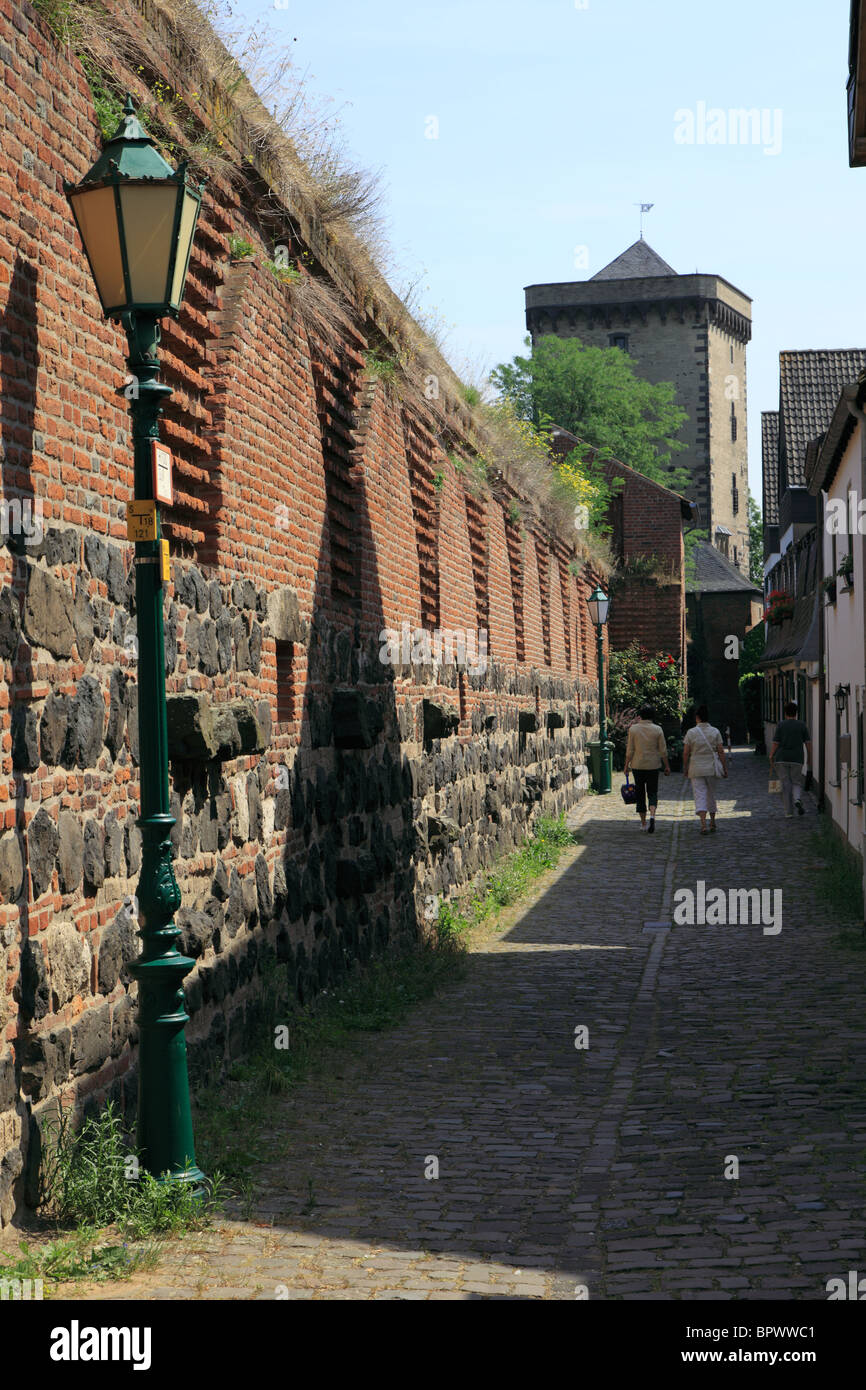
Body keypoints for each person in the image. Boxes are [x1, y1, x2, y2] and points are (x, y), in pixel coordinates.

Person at [624, 704, 670, 834]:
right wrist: (666, 765)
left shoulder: (633, 729)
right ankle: (653, 816)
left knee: (640, 793)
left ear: (640, 715)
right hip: (653, 765)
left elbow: (630, 750)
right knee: (652, 792)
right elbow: (663, 750)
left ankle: (643, 823)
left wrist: (626, 765)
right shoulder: (658, 729)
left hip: (638, 765)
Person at [682, 704, 728, 834]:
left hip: (696, 768)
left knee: (700, 795)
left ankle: (703, 824)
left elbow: (686, 752)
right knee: (711, 794)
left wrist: (685, 768)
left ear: (697, 718)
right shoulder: (715, 731)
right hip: (711, 768)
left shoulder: (691, 733)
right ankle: (712, 821)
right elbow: (721, 752)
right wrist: (724, 768)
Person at [769, 702, 811, 818]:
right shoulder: (802, 725)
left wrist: (771, 755)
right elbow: (808, 743)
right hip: (797, 758)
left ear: (785, 713)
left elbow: (776, 743)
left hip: (781, 758)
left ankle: (788, 812)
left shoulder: (781, 725)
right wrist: (809, 757)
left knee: (786, 784)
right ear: (796, 713)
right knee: (796, 781)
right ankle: (797, 799)